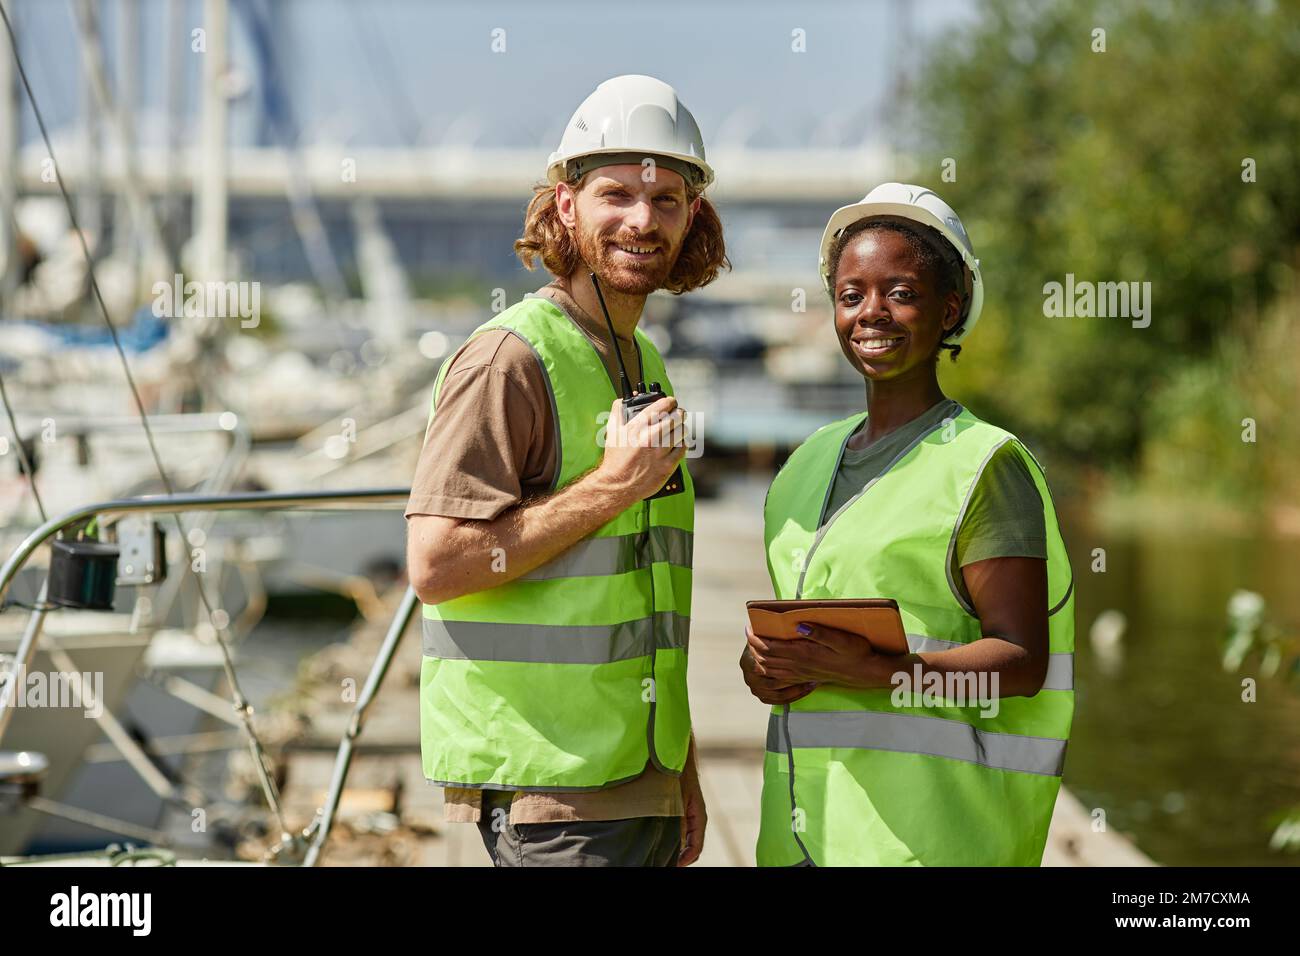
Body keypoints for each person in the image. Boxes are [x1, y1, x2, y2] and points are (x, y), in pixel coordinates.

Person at [405, 75, 729, 867]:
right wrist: (614, 486)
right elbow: (436, 564)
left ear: (694, 218)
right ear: (565, 207)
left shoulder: (641, 357)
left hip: (632, 779)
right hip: (552, 795)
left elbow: (643, 588)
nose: (641, 220)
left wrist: (677, 767)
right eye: (615, 194)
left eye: (667, 200)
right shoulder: (509, 360)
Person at [741, 183, 1075, 866]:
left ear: (948, 309)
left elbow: (1020, 664)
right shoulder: (805, 466)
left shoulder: (984, 465)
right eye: (851, 294)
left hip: (930, 842)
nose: (872, 313)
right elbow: (802, 639)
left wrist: (887, 674)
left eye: (900, 292)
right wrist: (765, 667)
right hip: (804, 837)